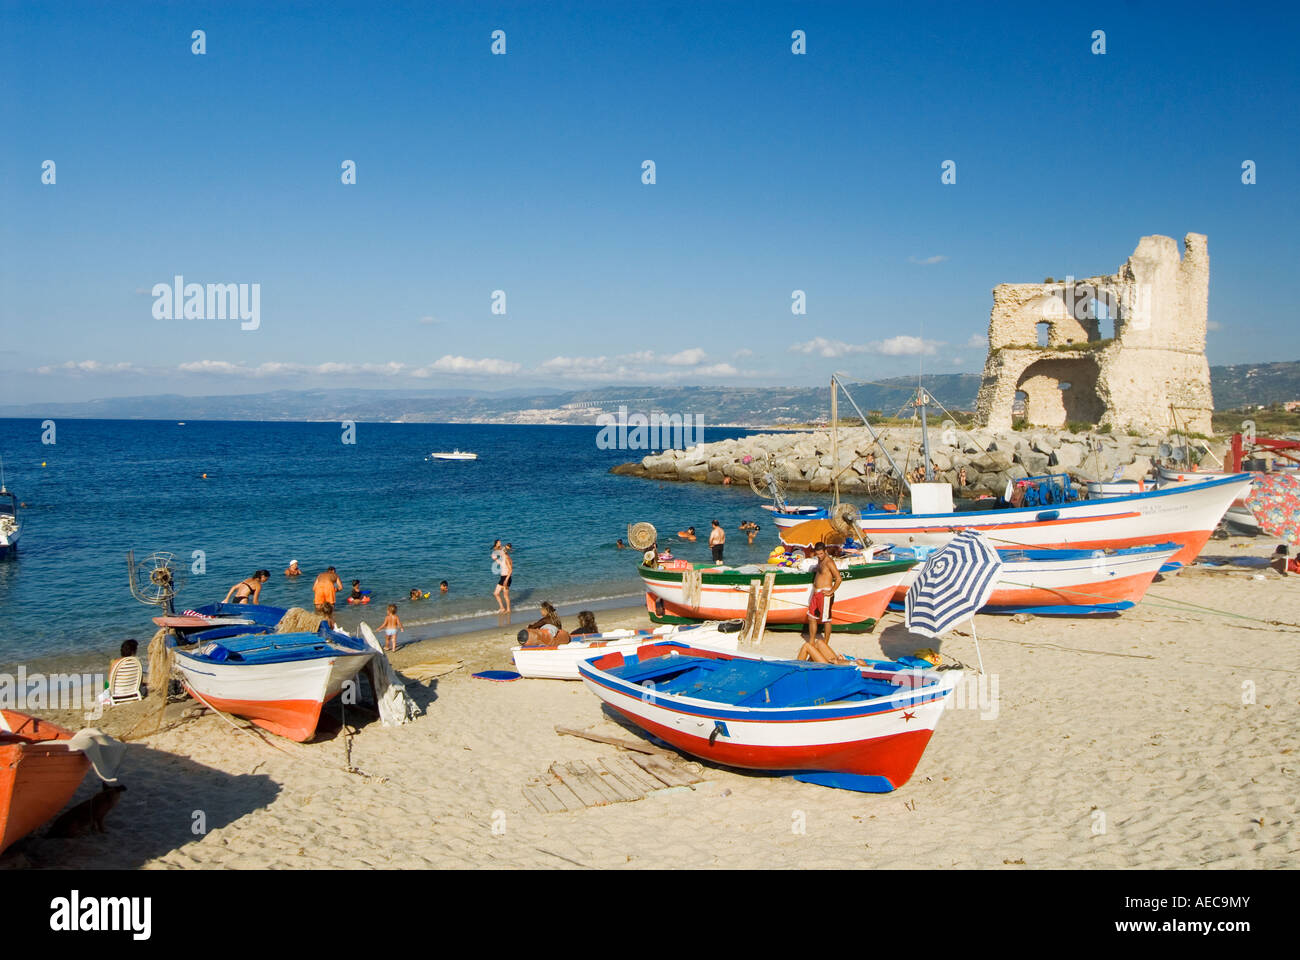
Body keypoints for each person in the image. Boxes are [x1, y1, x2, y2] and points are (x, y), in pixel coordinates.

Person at [797, 543, 846, 664]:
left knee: (826, 619)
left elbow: (839, 578)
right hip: (816, 594)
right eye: (817, 554)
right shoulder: (819, 560)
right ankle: (812, 641)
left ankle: (826, 643)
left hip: (825, 595)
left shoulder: (829, 562)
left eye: (821, 554)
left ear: (825, 551)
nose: (819, 556)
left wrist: (831, 591)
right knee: (811, 617)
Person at [494, 543, 513, 613]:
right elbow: (500, 563)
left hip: (506, 578)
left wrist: (506, 580)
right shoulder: (503, 558)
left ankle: (508, 610)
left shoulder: (507, 558)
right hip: (502, 578)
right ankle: (502, 608)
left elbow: (511, 570)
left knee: (505, 595)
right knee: (496, 593)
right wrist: (495, 558)